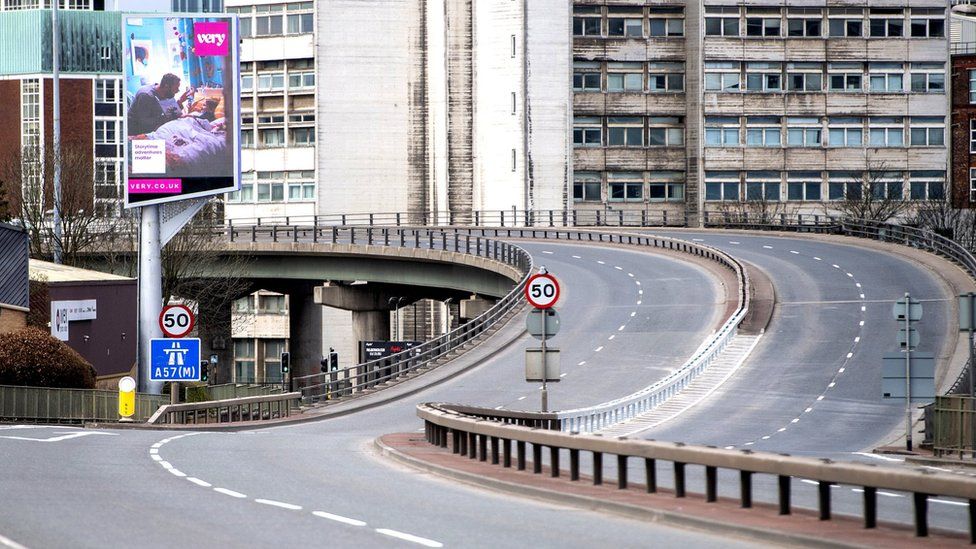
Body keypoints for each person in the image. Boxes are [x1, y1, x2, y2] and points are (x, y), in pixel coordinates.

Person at [127, 73, 191, 135]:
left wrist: (180, 101)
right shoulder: (146, 96)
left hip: (151, 125)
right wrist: (165, 120)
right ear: (166, 86)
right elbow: (144, 123)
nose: (178, 91)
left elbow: (173, 113)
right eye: (176, 88)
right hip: (136, 130)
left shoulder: (166, 93)